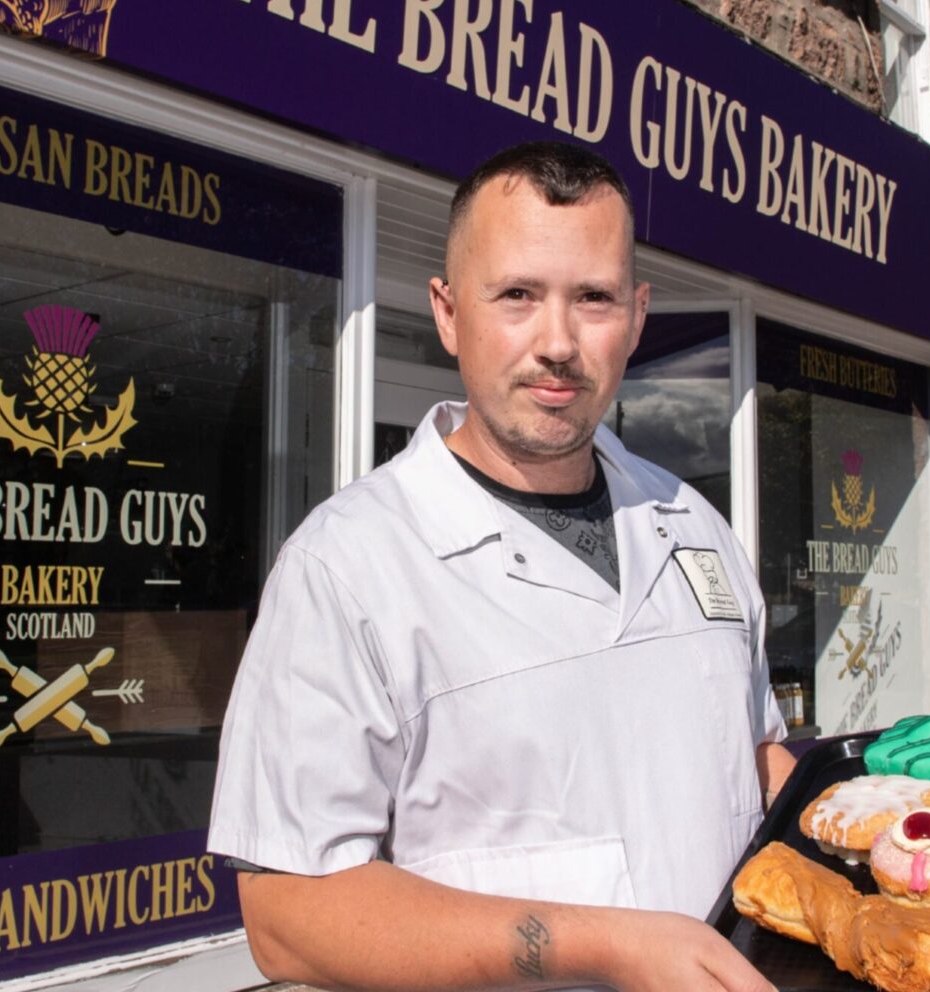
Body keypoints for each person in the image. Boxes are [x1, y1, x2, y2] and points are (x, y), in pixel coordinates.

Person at [208, 141, 795, 990]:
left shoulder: (692, 523)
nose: (557, 342)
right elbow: (288, 916)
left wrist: (877, 820)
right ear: (449, 313)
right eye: (517, 295)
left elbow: (751, 756)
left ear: (636, 314)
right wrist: (604, 944)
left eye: (592, 299)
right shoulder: (347, 567)